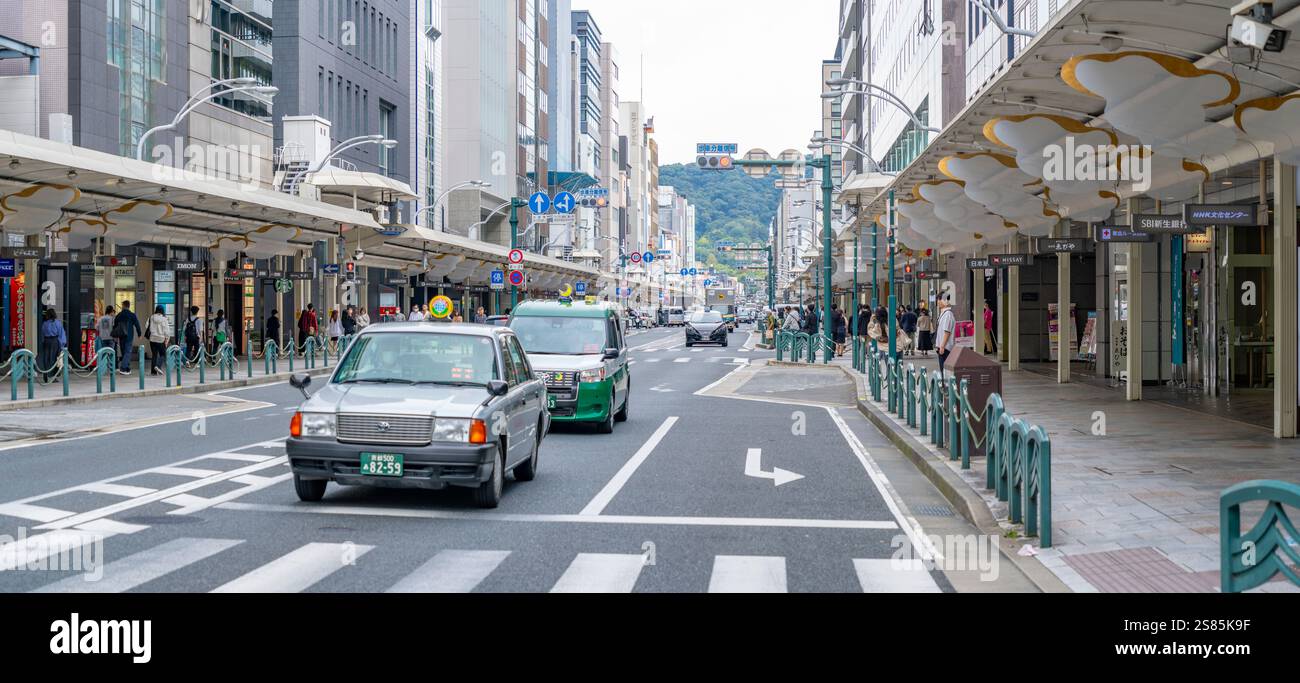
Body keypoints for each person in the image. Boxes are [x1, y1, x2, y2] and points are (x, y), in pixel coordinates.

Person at [112, 301, 141, 374]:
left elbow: (115, 325)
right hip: (129, 336)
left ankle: (127, 369)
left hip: (121, 336)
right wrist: (139, 334)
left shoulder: (119, 315)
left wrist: (115, 335)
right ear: (128, 306)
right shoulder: (132, 315)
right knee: (128, 352)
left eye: (122, 305)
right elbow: (137, 324)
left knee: (124, 352)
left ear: (124, 306)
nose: (121, 307)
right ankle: (123, 368)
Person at [38, 308, 66, 384]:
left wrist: (43, 342)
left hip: (46, 342)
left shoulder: (45, 324)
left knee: (46, 359)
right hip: (55, 342)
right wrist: (62, 345)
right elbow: (61, 334)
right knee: (54, 359)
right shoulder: (57, 323)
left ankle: (46, 374)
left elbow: (42, 334)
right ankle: (53, 376)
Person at [146, 305, 171, 376]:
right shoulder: (164, 319)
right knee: (163, 354)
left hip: (152, 339)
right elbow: (167, 331)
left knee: (154, 355)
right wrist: (166, 340)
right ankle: (158, 366)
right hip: (160, 339)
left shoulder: (151, 317)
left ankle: (153, 372)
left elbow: (146, 326)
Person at [936, 299, 957, 379]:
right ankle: (945, 387)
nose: (938, 302)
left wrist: (942, 346)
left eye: (940, 300)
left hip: (945, 348)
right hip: (943, 347)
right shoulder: (944, 313)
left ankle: (947, 389)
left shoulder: (948, 314)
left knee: (945, 371)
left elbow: (947, 332)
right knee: (943, 370)